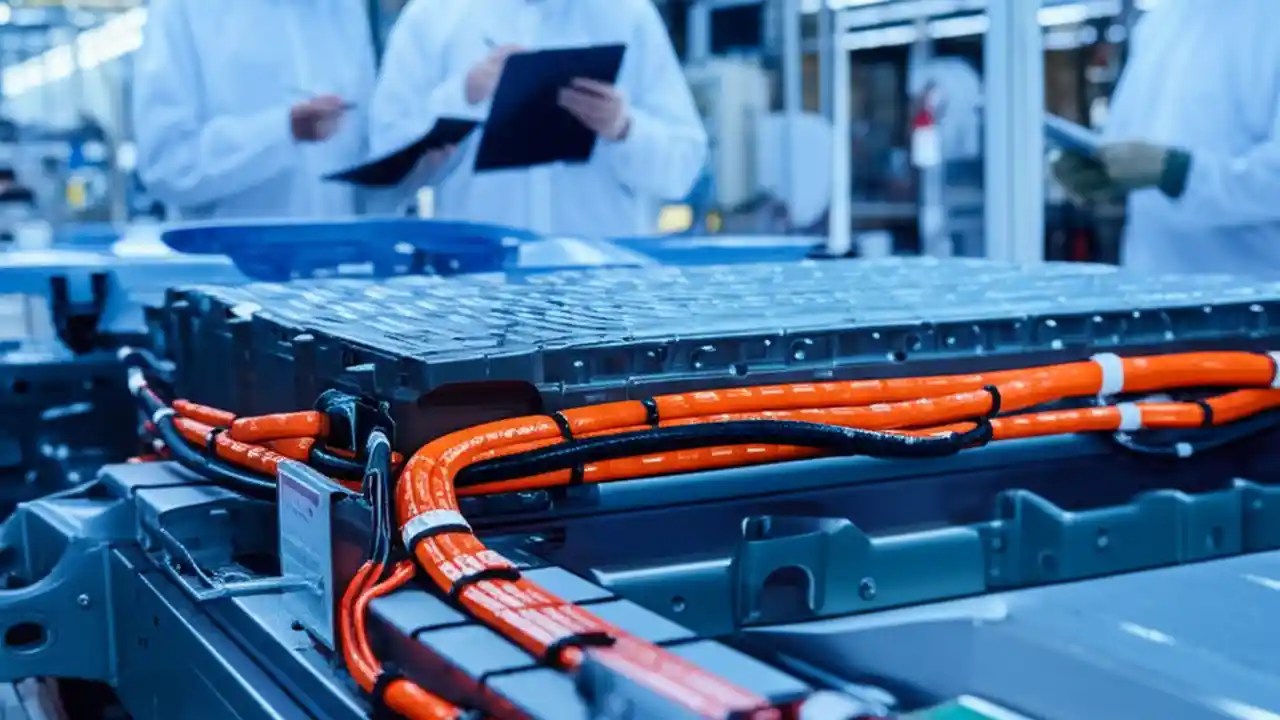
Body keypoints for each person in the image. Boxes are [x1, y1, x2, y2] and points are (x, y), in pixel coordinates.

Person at [370, 0, 708, 237]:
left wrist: (624, 128)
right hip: (478, 290)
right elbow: (384, 167)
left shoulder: (629, 15)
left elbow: (683, 168)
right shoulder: (432, 17)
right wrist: (462, 96)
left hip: (604, 289)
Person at [1052, 0, 1280, 277]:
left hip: (1254, 296)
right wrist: (1097, 171)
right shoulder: (1159, 21)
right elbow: (1126, 139)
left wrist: (1178, 173)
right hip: (1153, 285)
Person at [132, 0, 376, 220]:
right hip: (226, 264)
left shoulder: (345, 10)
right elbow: (166, 165)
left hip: (341, 259)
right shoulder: (181, 9)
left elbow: (367, 153)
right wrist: (282, 131)